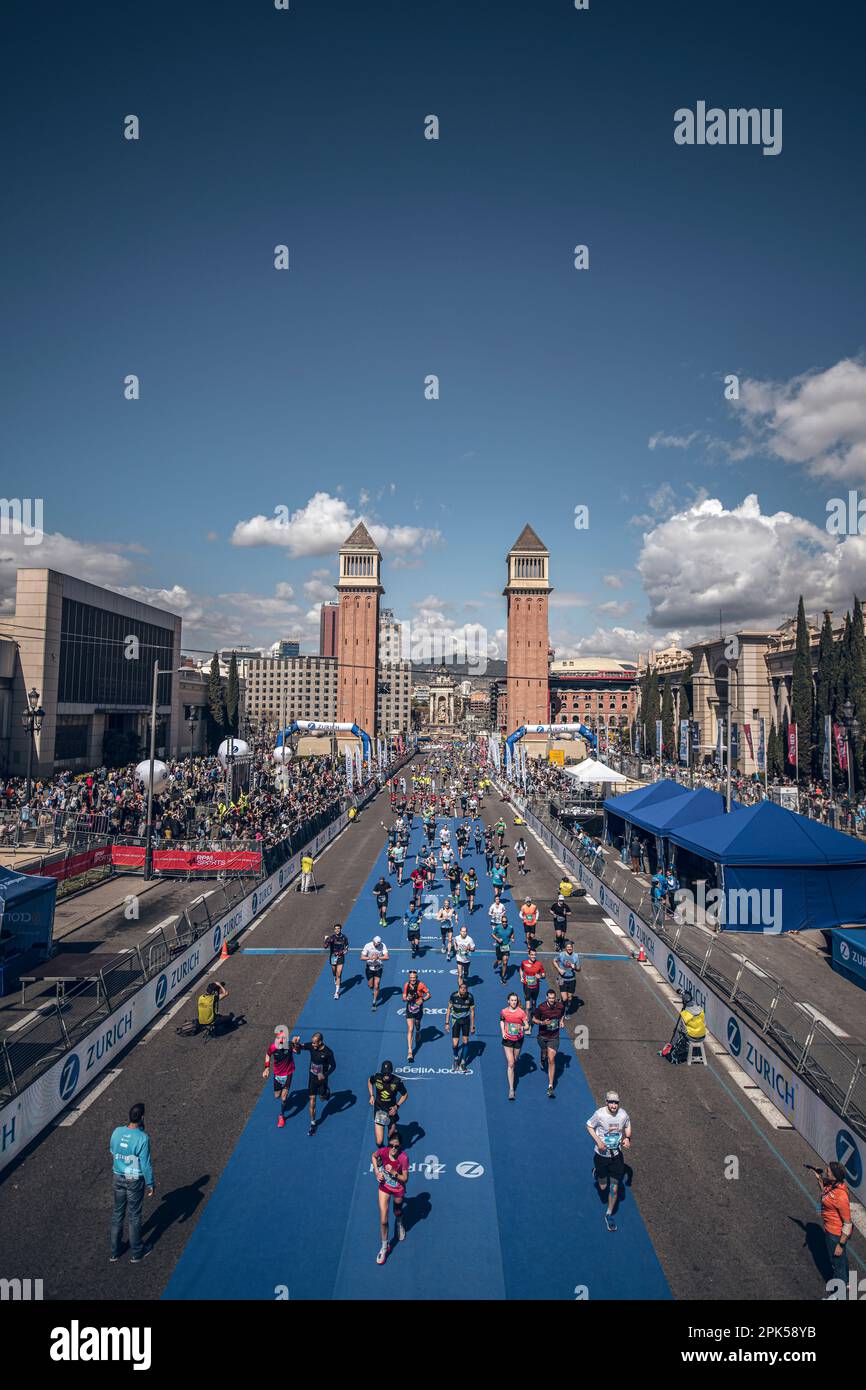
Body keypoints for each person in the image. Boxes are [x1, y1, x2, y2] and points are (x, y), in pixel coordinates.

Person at [109, 1102, 154, 1263]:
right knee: (134, 1215)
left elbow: (112, 1150)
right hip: (134, 1178)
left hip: (117, 1176)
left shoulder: (117, 1131)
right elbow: (146, 1164)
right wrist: (150, 1183)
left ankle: (114, 1251)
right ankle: (137, 1251)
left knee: (117, 1213)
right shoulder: (142, 1138)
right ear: (142, 1117)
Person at [586, 1090, 632, 1232]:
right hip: (601, 1156)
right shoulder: (600, 1114)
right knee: (603, 1187)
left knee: (614, 1188)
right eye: (611, 1102)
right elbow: (589, 1126)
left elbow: (628, 1125)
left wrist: (627, 1138)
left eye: (616, 1102)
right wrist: (598, 1141)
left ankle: (609, 1214)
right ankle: (597, 1173)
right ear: (606, 1102)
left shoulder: (623, 1114)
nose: (614, 1105)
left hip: (616, 1156)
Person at [812, 1162, 853, 1291]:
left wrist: (840, 1245)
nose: (825, 1172)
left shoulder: (840, 1196)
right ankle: (846, 1282)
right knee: (841, 1260)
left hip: (835, 1234)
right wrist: (819, 1178)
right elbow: (825, 1193)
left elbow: (848, 1223)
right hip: (832, 1231)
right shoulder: (833, 1186)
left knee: (836, 1262)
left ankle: (838, 1292)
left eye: (828, 1171)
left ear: (835, 1176)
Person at [372, 1131, 409, 1265]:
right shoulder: (383, 1151)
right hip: (384, 1187)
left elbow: (405, 1179)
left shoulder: (403, 1158)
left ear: (401, 1147)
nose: (393, 1149)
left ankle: (399, 1222)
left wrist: (394, 1173)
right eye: (391, 1145)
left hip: (398, 1188)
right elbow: (373, 1156)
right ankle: (384, 1246)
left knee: (397, 1211)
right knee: (383, 1219)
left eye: (396, 1146)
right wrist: (377, 1171)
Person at [292, 1031, 336, 1135]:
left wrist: (325, 1075)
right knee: (312, 1101)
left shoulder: (328, 1052)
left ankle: (326, 1093)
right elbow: (300, 1048)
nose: (312, 1044)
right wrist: (296, 1044)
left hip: (322, 1080)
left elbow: (333, 1066)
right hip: (312, 1079)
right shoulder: (312, 1046)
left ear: (320, 1042)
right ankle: (313, 1124)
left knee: (322, 1098)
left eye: (315, 1043)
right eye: (312, 1042)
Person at [533, 988, 566, 1097]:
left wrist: (561, 1021)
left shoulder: (559, 1006)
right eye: (550, 998)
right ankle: (542, 1057)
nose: (552, 1000)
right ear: (547, 998)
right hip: (542, 1036)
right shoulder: (541, 1008)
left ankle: (550, 1086)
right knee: (544, 1051)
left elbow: (563, 1013)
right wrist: (542, 1022)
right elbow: (534, 1019)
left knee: (551, 1059)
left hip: (554, 1037)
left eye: (553, 998)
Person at [263, 1024, 296, 1127]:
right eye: (278, 1039)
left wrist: (297, 1044)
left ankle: (281, 1116)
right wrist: (267, 1068)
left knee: (283, 1097)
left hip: (288, 1073)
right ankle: (283, 1097)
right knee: (277, 1096)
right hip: (277, 1074)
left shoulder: (290, 1045)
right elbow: (268, 1054)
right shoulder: (273, 1047)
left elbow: (298, 1051)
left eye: (282, 1040)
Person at [368, 1060, 408, 1145]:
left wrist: (396, 1106)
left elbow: (405, 1095)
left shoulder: (397, 1081)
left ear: (391, 1072)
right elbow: (370, 1081)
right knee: (379, 1142)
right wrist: (371, 1095)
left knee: (391, 1139)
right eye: (384, 1074)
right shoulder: (377, 1077)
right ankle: (382, 1153)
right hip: (379, 1109)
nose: (386, 1076)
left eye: (388, 1074)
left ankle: (393, 1130)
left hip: (391, 1111)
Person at [499, 992, 529, 1100]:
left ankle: (512, 1071)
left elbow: (527, 1025)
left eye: (515, 1000)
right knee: (511, 1063)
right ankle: (511, 1089)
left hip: (518, 1040)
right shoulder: (504, 1011)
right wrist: (503, 1032)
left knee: (515, 1061)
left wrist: (522, 1028)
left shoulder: (521, 1013)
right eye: (511, 1000)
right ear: (508, 1001)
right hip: (507, 1040)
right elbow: (502, 1021)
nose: (513, 1002)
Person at [446, 980, 476, 1072]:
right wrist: (447, 1023)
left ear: (466, 990)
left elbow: (472, 1012)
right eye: (461, 989)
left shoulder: (470, 997)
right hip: (456, 1021)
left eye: (465, 990)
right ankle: (456, 1058)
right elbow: (448, 1009)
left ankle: (463, 1062)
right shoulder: (453, 996)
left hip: (466, 1021)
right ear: (459, 989)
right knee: (455, 1044)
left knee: (465, 1042)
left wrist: (472, 1025)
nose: (463, 991)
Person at [402, 971, 430, 1061]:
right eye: (411, 978)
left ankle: (418, 1031)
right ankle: (410, 1051)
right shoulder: (406, 985)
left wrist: (423, 1000)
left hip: (418, 1008)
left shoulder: (421, 985)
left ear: (416, 977)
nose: (412, 980)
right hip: (410, 1008)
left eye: (414, 978)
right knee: (410, 1029)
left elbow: (429, 994)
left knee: (417, 1024)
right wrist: (407, 999)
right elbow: (403, 997)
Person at [361, 935, 389, 1010]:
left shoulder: (383, 945)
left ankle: (374, 1002)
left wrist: (378, 958)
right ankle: (374, 990)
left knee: (377, 985)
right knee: (371, 985)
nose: (378, 945)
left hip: (378, 968)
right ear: (373, 941)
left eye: (379, 943)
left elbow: (387, 957)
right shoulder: (367, 945)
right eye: (376, 943)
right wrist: (370, 958)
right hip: (369, 968)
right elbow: (362, 957)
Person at [553, 940, 581, 1014]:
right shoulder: (561, 954)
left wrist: (574, 967)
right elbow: (554, 960)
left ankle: (567, 1010)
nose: (569, 948)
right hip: (562, 979)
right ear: (565, 948)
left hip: (572, 979)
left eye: (570, 947)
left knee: (569, 998)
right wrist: (559, 969)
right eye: (568, 947)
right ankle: (563, 1011)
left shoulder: (576, 956)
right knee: (565, 998)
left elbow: (579, 969)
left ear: (572, 947)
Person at [324, 923, 349, 999]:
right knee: (334, 972)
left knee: (339, 973)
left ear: (341, 929)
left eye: (338, 928)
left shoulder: (344, 937)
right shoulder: (331, 937)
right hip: (333, 957)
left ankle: (337, 992)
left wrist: (345, 951)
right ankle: (335, 977)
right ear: (334, 930)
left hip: (341, 957)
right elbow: (325, 947)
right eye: (336, 929)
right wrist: (326, 940)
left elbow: (346, 947)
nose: (337, 930)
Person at [519, 949, 545, 1019]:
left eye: (535, 955)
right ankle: (528, 1019)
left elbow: (543, 974)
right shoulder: (524, 963)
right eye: (532, 955)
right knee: (528, 1005)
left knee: (534, 1002)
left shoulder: (539, 964)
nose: (533, 956)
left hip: (536, 987)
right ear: (529, 955)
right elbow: (521, 969)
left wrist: (541, 976)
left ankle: (533, 1014)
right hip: (527, 986)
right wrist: (521, 977)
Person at [492, 913, 514, 983]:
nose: (504, 923)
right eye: (503, 922)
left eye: (505, 922)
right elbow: (492, 934)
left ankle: (503, 977)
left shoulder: (510, 927)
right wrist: (497, 939)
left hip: (506, 946)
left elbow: (512, 933)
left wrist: (512, 938)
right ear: (501, 922)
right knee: (499, 961)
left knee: (505, 962)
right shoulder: (498, 927)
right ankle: (496, 962)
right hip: (499, 946)